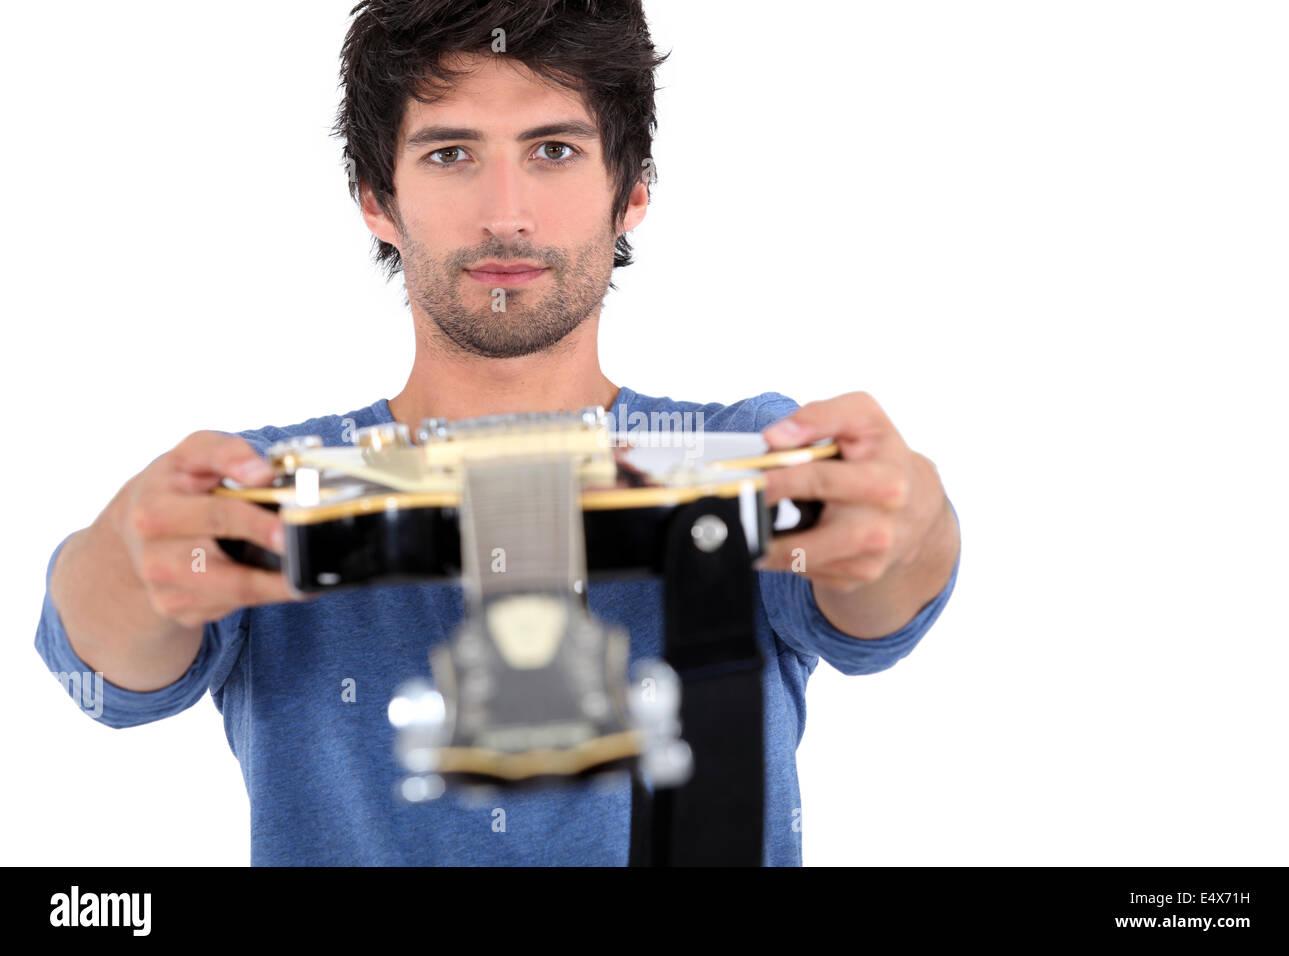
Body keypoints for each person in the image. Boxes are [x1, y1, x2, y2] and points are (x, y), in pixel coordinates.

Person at [34, 0, 961, 865]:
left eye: (553, 149)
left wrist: (904, 511)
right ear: (375, 198)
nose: (505, 212)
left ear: (631, 190)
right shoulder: (272, 487)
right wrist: (135, 544)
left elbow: (882, 597)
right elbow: (102, 669)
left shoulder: (740, 456)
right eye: (450, 154)